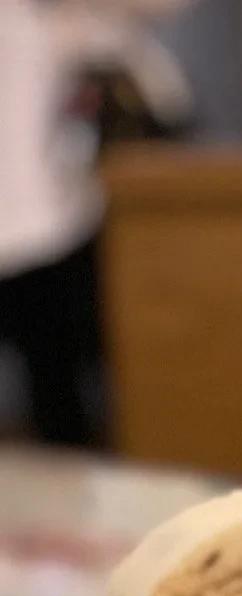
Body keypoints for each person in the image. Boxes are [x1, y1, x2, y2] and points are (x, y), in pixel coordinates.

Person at [0, 0, 191, 446]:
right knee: (60, 386)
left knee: (61, 386)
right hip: (36, 227)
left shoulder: (47, 22)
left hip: (45, 228)